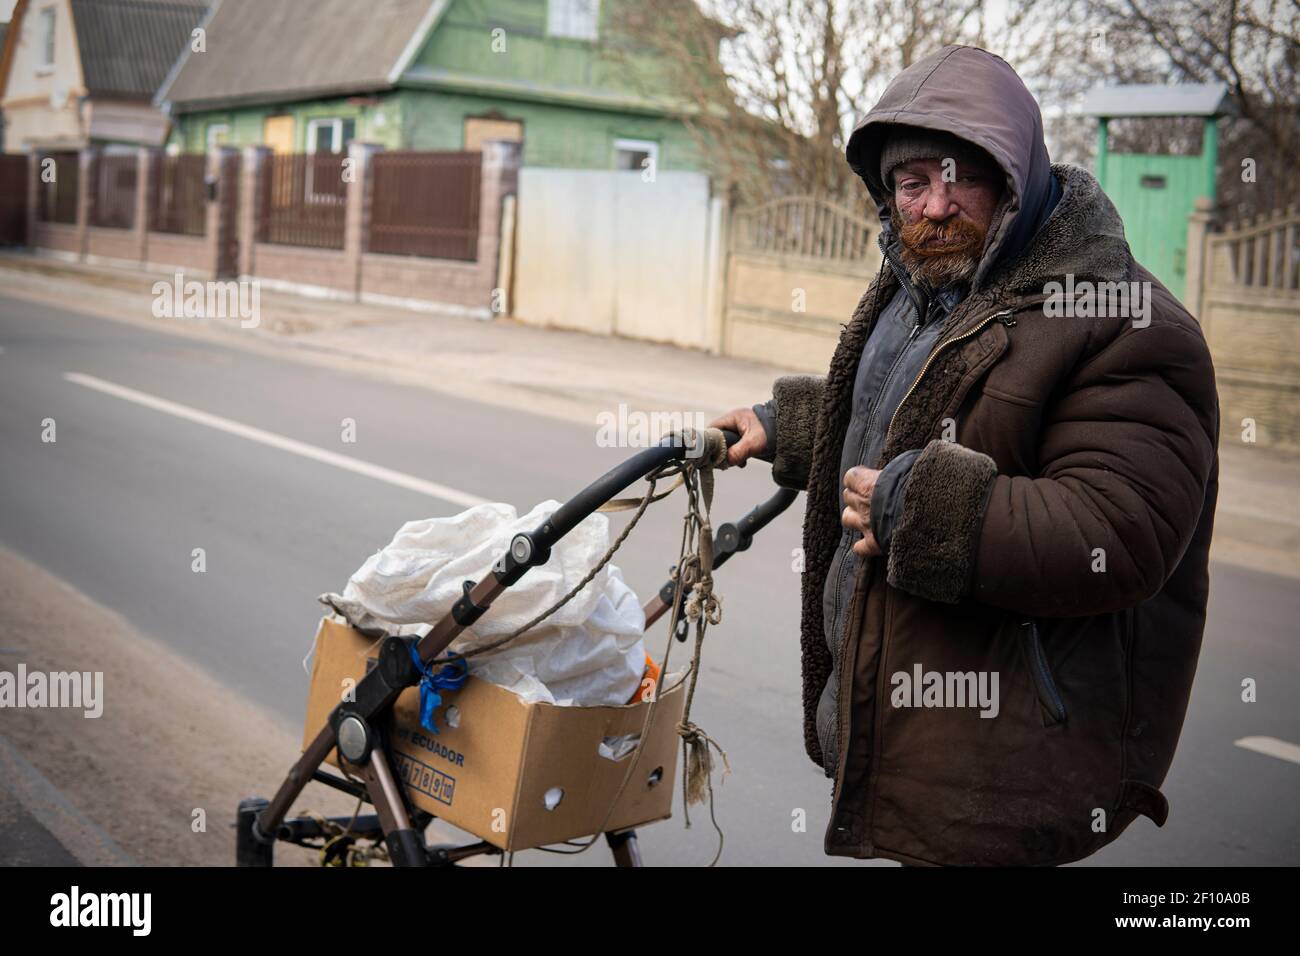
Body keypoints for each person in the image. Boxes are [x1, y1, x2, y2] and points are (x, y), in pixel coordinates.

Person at [710, 44, 1219, 866]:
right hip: (917, 737)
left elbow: (1120, 533)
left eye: (961, 179)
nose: (936, 205)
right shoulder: (927, 286)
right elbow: (908, 409)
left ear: (1016, 180)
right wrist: (795, 424)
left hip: (1004, 748)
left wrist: (926, 511)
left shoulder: (1125, 320)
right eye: (913, 184)